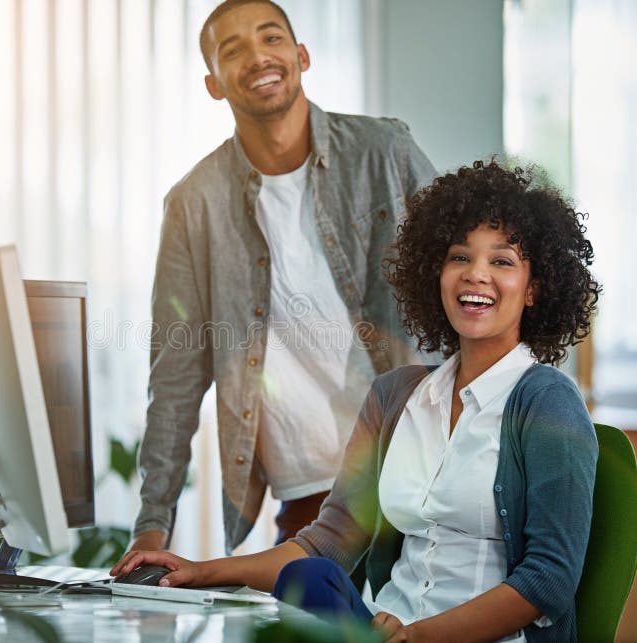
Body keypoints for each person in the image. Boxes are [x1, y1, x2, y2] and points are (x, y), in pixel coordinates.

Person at [113, 160, 601, 642]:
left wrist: (418, 637)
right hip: (381, 631)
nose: (475, 275)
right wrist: (200, 572)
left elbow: (548, 581)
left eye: (502, 261)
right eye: (459, 257)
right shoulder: (394, 396)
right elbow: (332, 540)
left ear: (535, 288)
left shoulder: (547, 402)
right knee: (308, 583)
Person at [132, 0, 436, 555]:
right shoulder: (193, 205)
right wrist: (151, 528)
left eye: (270, 38)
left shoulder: (384, 152)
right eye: (233, 50)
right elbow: (175, 377)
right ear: (214, 85)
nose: (257, 57)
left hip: (416, 475)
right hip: (308, 503)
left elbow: (470, 275)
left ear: (301, 55)